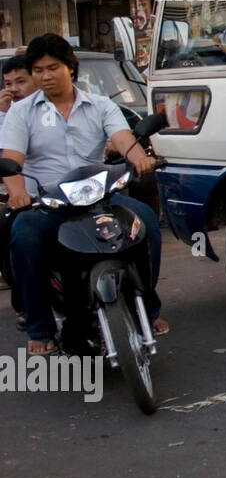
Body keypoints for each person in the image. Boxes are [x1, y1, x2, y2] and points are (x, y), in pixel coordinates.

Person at [0, 34, 167, 356]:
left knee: (145, 221)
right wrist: (18, 194)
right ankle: (40, 326)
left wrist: (139, 159)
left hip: (100, 196)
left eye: (53, 68)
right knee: (24, 236)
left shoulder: (100, 105)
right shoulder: (22, 113)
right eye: (38, 70)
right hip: (48, 202)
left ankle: (147, 305)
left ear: (71, 69)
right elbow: (13, 160)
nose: (45, 76)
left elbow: (122, 139)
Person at [0, 53, 36, 308]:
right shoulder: (6, 114)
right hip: (19, 195)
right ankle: (23, 299)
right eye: (8, 84)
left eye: (20, 82)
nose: (13, 90)